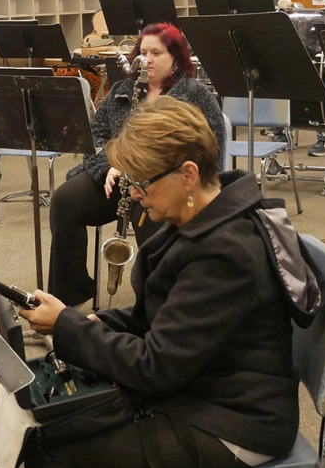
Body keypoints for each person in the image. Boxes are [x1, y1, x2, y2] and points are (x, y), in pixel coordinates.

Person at [15, 97, 325, 468]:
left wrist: (67, 326)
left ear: (188, 175)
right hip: (206, 388)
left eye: (142, 182)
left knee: (49, 443)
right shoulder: (204, 217)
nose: (136, 194)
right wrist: (103, 324)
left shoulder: (225, 252)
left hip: (238, 422)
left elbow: (155, 366)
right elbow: (167, 320)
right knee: (51, 420)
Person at [47, 22, 225, 308]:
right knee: (65, 201)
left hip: (165, 183)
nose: (147, 59)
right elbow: (96, 137)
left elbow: (211, 147)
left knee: (154, 224)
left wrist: (146, 171)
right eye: (143, 52)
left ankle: (164, 304)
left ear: (176, 58)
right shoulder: (122, 90)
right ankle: (68, 298)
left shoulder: (196, 95)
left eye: (156, 53)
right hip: (116, 178)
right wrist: (110, 165)